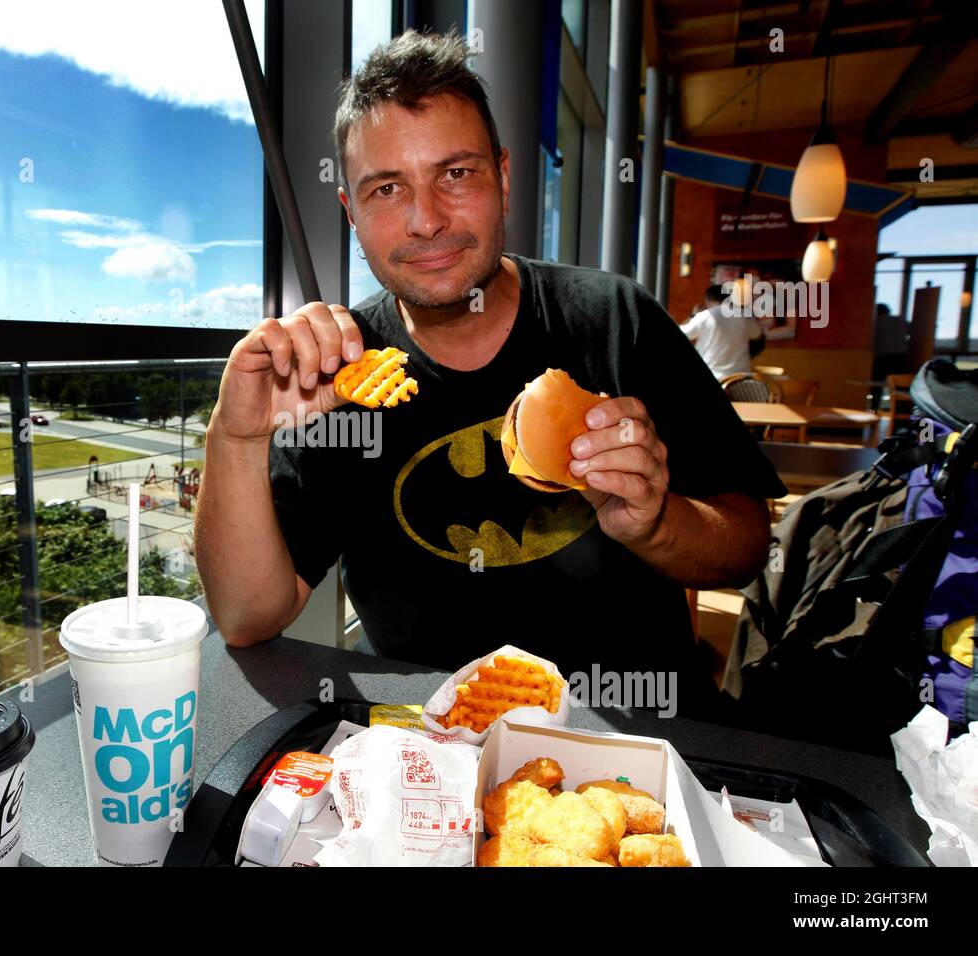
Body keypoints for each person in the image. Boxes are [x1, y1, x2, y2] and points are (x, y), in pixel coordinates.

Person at [194, 29, 786, 721]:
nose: (427, 220)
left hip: (640, 743)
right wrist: (236, 437)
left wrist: (657, 525)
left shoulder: (614, 318)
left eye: (456, 173)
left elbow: (748, 544)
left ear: (503, 178)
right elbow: (244, 618)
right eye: (388, 188)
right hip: (430, 758)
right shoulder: (339, 373)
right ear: (352, 213)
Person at [679, 284, 764, 381]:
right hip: (741, 378)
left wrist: (693, 315)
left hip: (712, 375)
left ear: (708, 300)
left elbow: (682, 333)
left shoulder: (705, 316)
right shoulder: (745, 316)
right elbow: (758, 335)